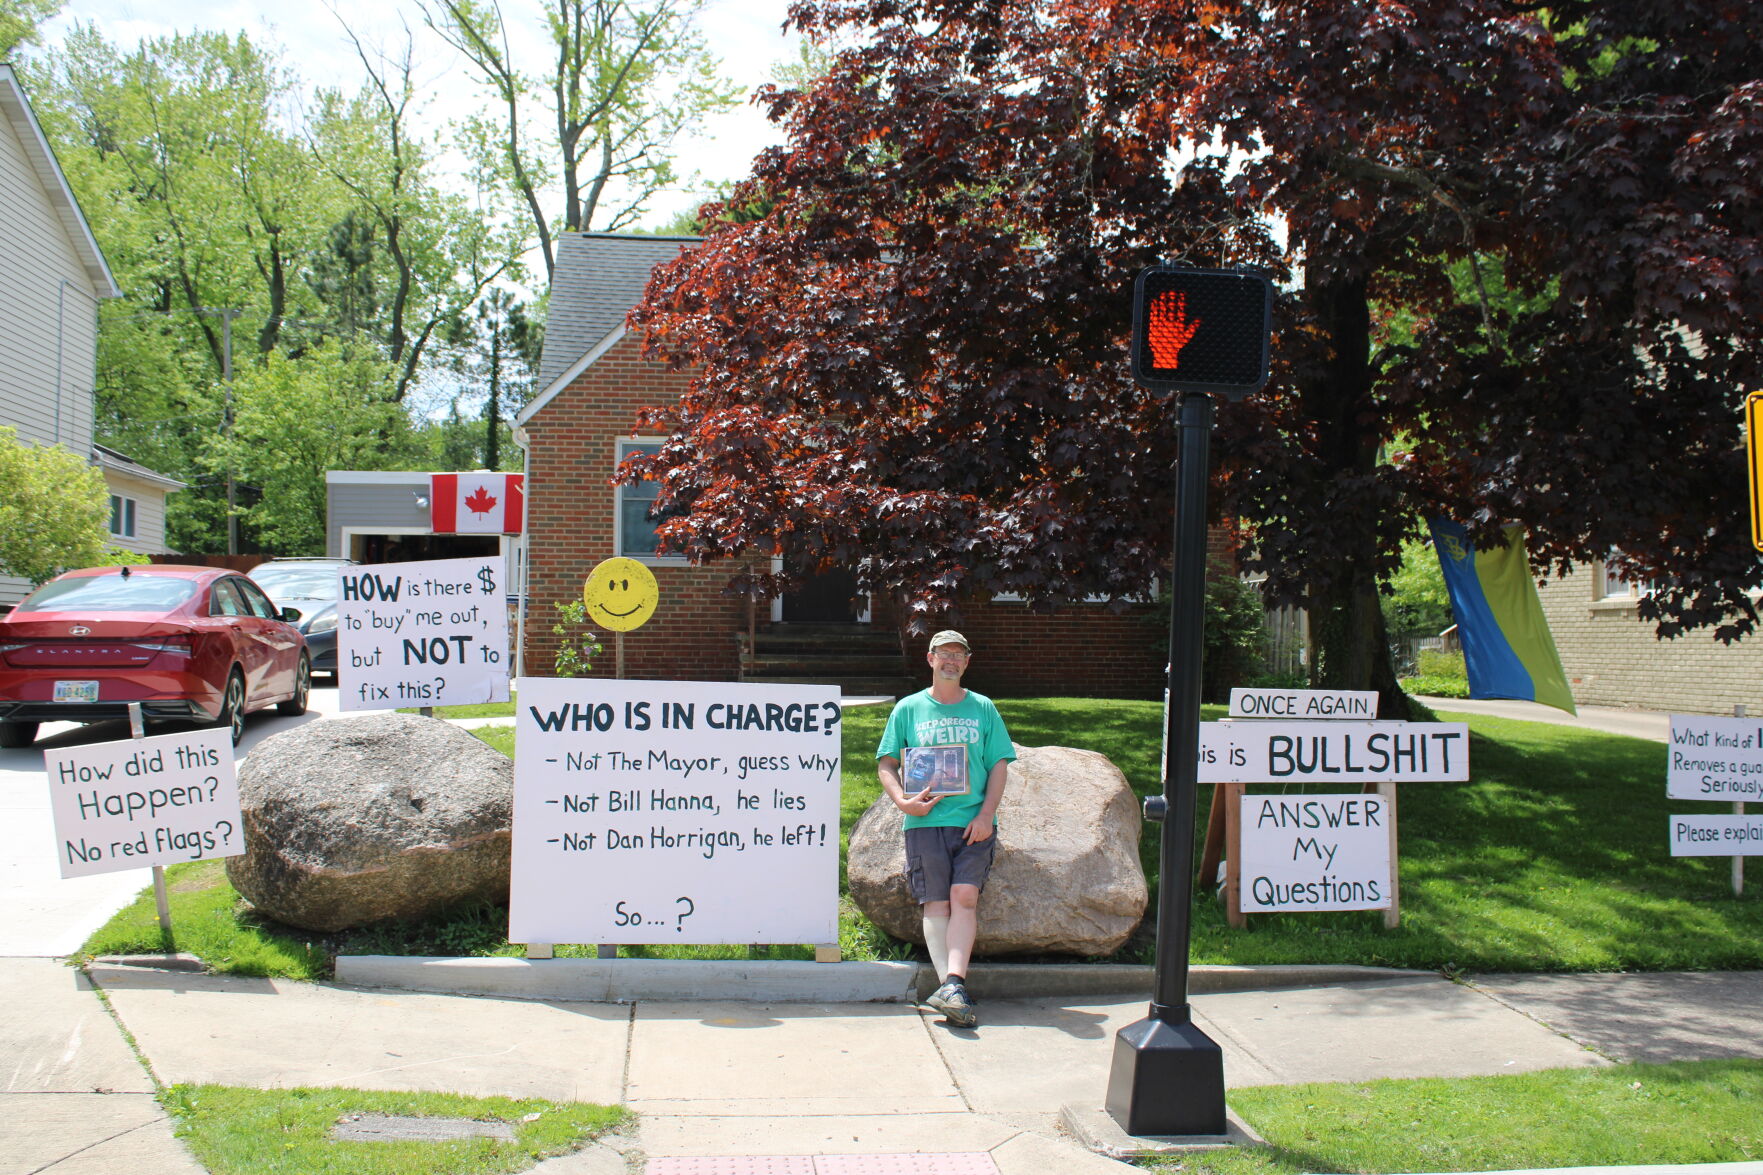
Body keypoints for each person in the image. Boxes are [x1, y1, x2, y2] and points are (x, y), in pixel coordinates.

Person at [875, 630, 1015, 1028]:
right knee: (936, 903)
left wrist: (986, 815)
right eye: (944, 654)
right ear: (930, 659)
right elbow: (886, 764)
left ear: (967, 662)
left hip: (972, 823)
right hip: (925, 823)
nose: (951, 661)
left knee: (964, 896)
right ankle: (950, 989)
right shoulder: (908, 709)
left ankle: (953, 983)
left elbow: (999, 764)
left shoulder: (983, 708)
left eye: (959, 655)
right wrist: (903, 801)